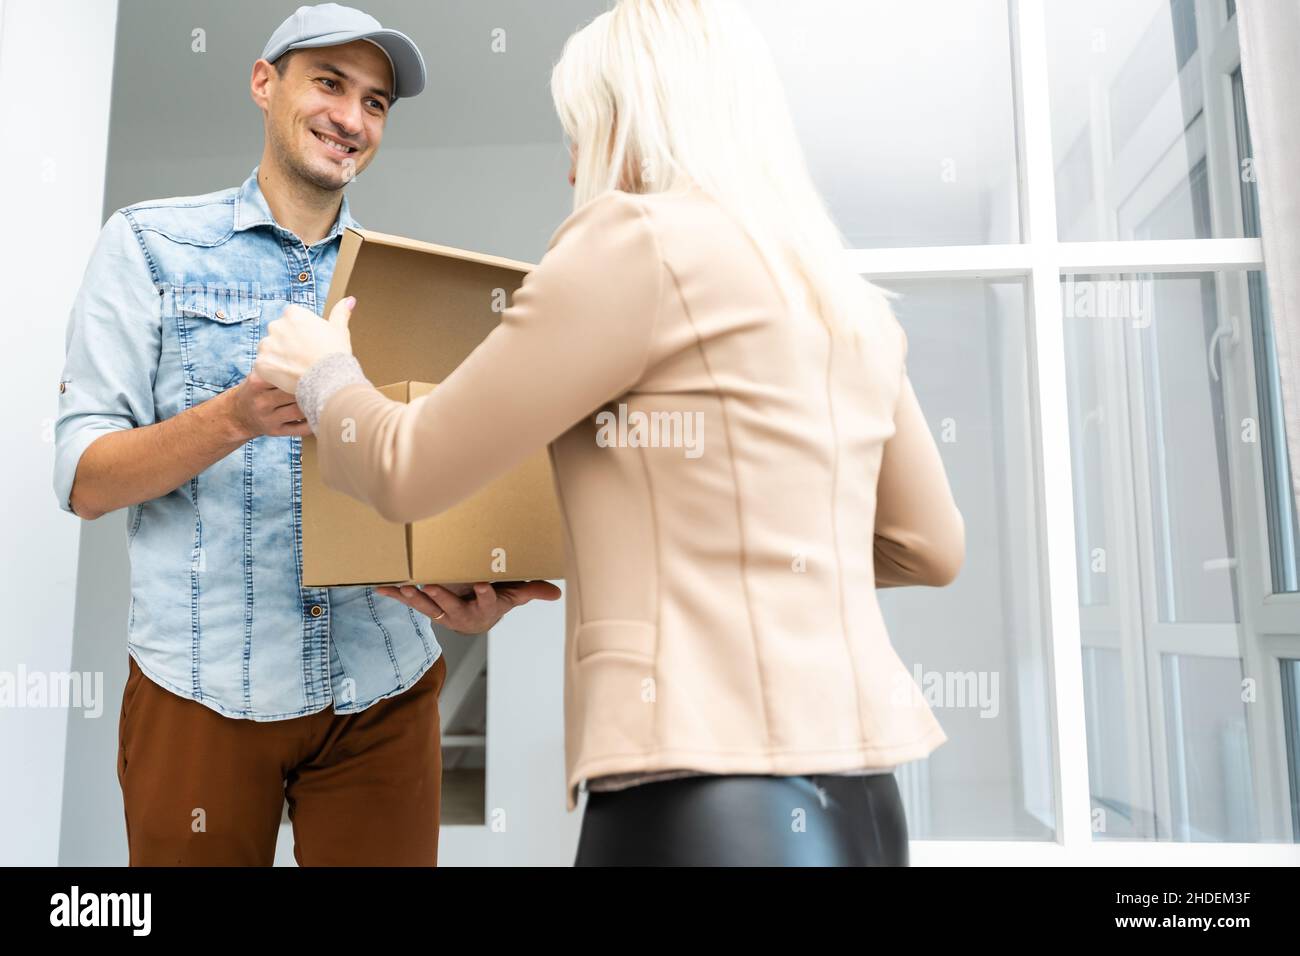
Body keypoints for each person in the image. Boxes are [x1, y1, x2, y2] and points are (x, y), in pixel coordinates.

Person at [255, 0, 965, 866]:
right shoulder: (830, 284)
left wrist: (323, 372)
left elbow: (408, 469)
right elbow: (927, 546)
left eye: (577, 132)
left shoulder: (635, 240)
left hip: (701, 800)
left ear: (630, 117)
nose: (570, 172)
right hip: (864, 803)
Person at [53, 2, 556, 867]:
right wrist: (234, 417)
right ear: (264, 83)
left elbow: (430, 476)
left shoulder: (410, 279)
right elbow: (83, 479)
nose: (351, 118)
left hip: (383, 688)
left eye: (375, 103)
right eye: (330, 83)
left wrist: (472, 576)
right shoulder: (148, 246)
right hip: (199, 693)